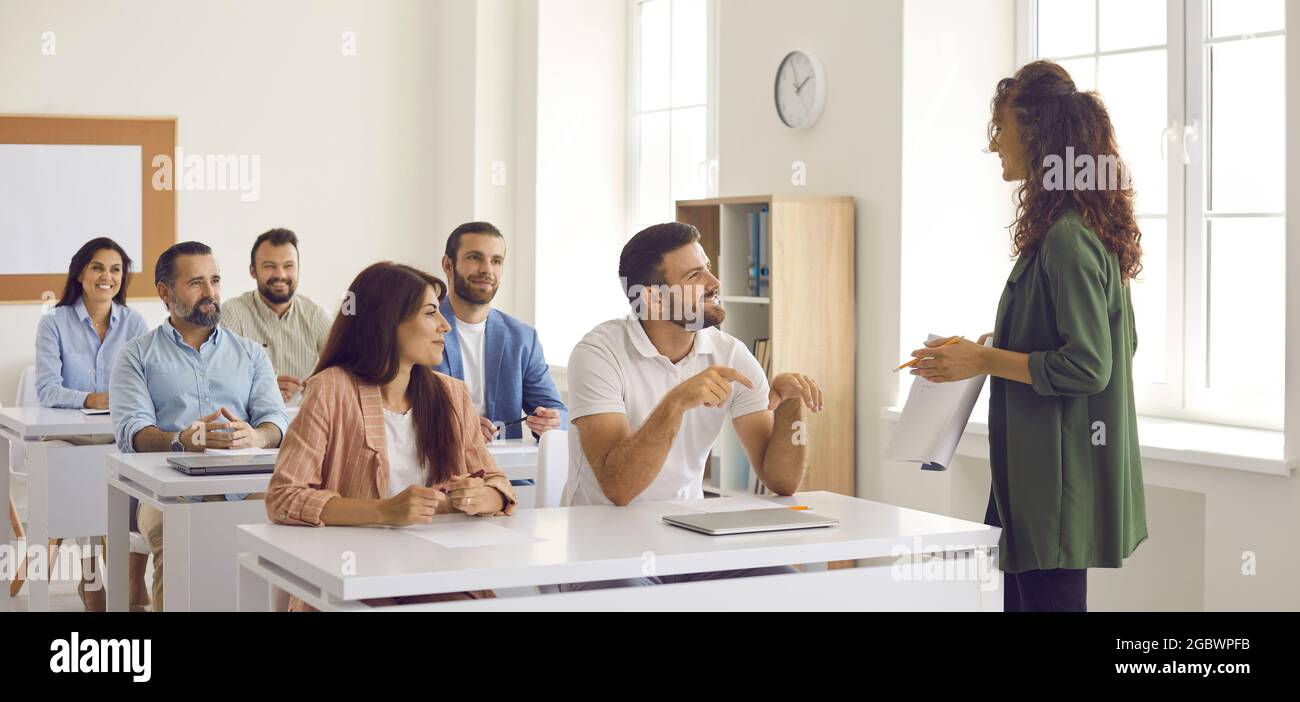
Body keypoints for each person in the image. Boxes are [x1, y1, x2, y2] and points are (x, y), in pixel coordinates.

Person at [908, 60, 1147, 612]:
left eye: (1002, 129)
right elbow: (1101, 339)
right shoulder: (1075, 230)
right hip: (1035, 479)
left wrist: (985, 359)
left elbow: (1092, 365)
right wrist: (1001, 341)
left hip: (1053, 489)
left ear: (1038, 137)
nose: (994, 144)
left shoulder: (1068, 238)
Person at [559, 222, 824, 590]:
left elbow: (781, 480)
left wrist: (790, 406)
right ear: (651, 298)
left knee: (790, 589)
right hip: (601, 550)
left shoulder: (730, 352)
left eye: (709, 268)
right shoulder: (598, 354)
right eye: (695, 275)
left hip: (688, 543)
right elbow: (619, 488)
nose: (715, 282)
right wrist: (677, 401)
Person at [266, 262, 516, 610]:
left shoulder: (453, 395)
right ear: (388, 321)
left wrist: (481, 496)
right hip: (349, 577)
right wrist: (384, 511)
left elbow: (498, 485)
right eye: (431, 313)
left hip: (437, 575)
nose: (445, 325)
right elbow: (284, 498)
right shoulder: (330, 390)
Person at [111, 241, 288, 611]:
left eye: (215, 280)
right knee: (177, 538)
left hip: (244, 488)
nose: (211, 293)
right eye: (196, 283)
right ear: (165, 292)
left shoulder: (252, 353)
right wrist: (180, 441)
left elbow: (276, 421)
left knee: (280, 535)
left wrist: (255, 435)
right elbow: (132, 434)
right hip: (168, 494)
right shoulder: (135, 355)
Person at [34, 237, 150, 611]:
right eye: (98, 267)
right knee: (84, 475)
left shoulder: (134, 322)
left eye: (116, 269)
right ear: (81, 272)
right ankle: (91, 575)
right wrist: (91, 398)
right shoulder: (54, 323)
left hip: (117, 435)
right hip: (69, 438)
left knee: (132, 472)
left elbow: (146, 382)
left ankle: (127, 579)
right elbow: (47, 390)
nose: (107, 276)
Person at [435, 222, 566, 441]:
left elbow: (558, 410)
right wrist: (458, 425)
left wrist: (552, 421)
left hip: (507, 471)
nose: (487, 270)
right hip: (440, 468)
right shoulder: (419, 328)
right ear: (448, 265)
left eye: (496, 261)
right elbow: (399, 410)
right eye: (475, 257)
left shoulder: (523, 338)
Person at [220, 228, 332, 403]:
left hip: (304, 419)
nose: (280, 274)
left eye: (288, 266)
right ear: (253, 271)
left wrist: (311, 388)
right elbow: (216, 376)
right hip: (250, 421)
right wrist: (263, 387)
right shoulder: (233, 313)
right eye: (270, 266)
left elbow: (340, 373)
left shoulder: (316, 316)